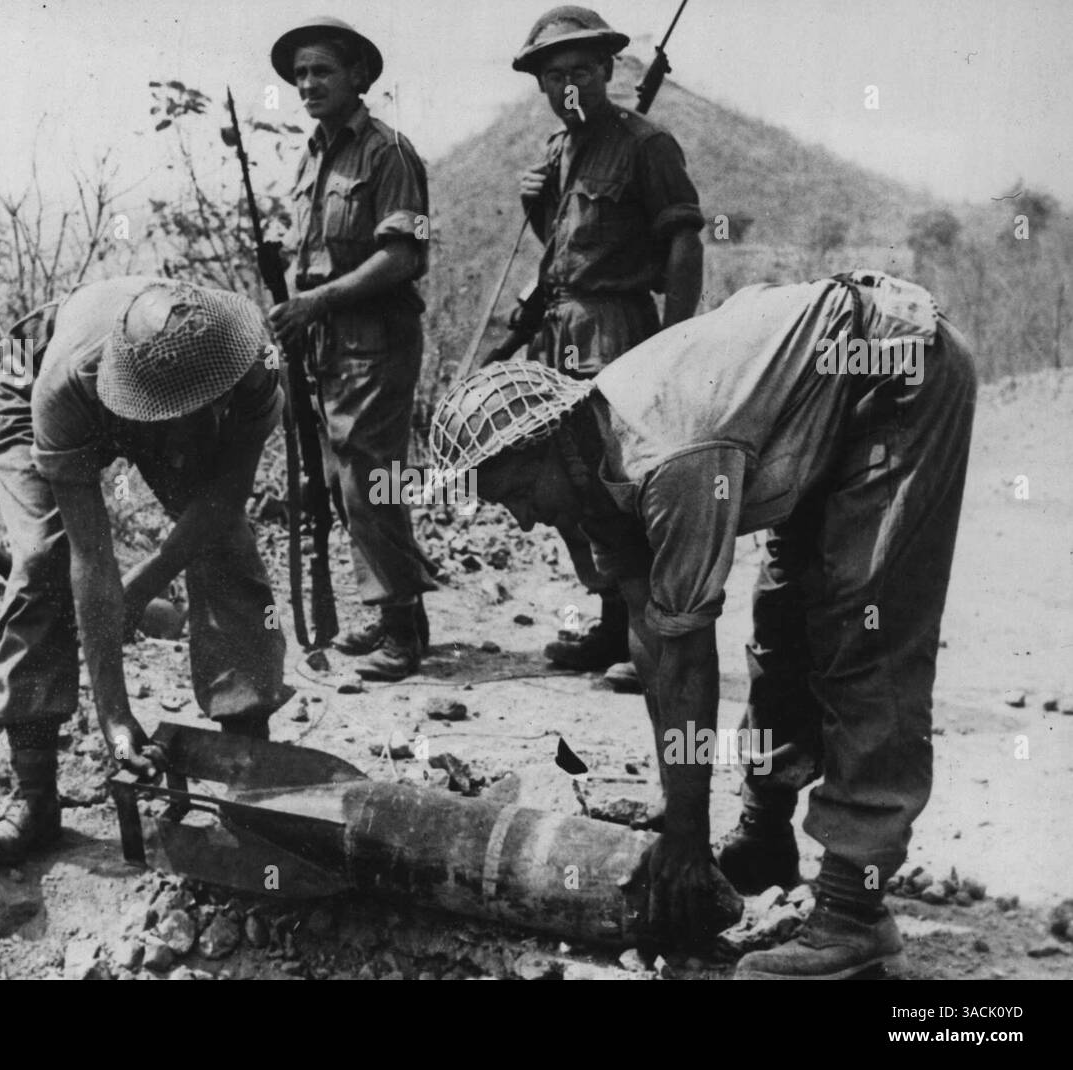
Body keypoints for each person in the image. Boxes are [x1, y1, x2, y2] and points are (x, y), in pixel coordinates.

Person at [430, 271, 977, 979]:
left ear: (545, 448)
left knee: (861, 631)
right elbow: (646, 630)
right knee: (782, 618)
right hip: (817, 405)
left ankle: (854, 913)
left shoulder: (669, 457)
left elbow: (685, 650)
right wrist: (677, 814)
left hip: (898, 371)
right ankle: (765, 836)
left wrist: (686, 833)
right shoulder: (587, 456)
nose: (524, 518)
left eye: (516, 496)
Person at [0, 276, 291, 865]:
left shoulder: (249, 362)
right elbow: (90, 554)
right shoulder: (65, 387)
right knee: (43, 562)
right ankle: (33, 798)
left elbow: (223, 500)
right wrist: (114, 714)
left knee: (226, 548)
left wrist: (146, 580)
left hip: (177, 389)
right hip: (38, 377)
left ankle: (250, 766)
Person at [509, 6, 704, 689]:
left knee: (619, 484)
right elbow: (567, 256)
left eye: (582, 72)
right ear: (540, 85)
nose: (568, 87)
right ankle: (611, 625)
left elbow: (682, 240)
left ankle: (648, 641)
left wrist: (677, 343)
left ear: (607, 72)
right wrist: (538, 209)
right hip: (559, 336)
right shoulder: (559, 155)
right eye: (553, 75)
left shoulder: (646, 144)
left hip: (616, 332)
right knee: (574, 487)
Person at [266, 16, 438, 682]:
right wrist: (290, 299)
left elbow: (403, 256)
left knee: (369, 478)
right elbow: (304, 252)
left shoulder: (387, 153)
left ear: (358, 77)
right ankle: (398, 611)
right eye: (300, 74)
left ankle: (401, 626)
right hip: (325, 344)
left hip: (376, 341)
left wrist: (319, 301)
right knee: (345, 482)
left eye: (322, 72)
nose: (308, 83)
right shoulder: (313, 155)